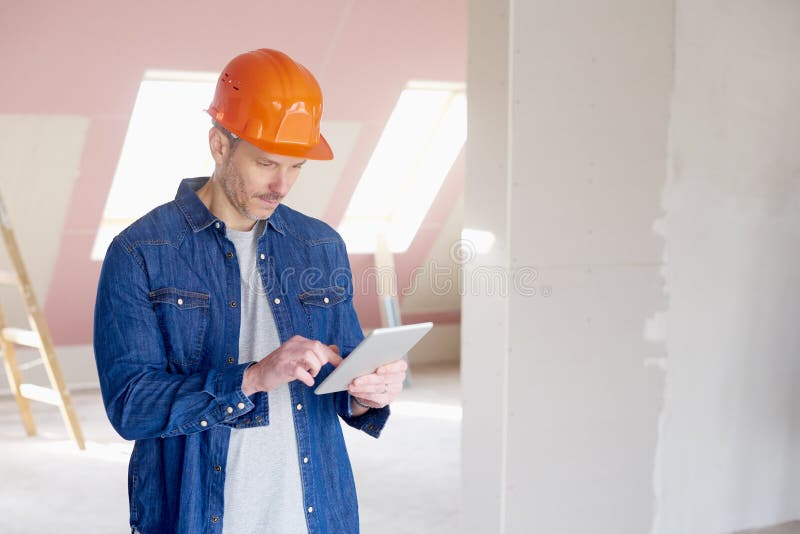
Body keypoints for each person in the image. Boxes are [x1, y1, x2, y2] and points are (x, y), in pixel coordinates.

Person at [93, 48, 408, 534]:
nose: (282, 185)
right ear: (219, 145)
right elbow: (131, 407)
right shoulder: (141, 252)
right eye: (265, 163)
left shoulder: (321, 246)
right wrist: (254, 377)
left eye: (296, 166)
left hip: (315, 516)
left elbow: (341, 380)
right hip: (197, 517)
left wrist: (369, 392)